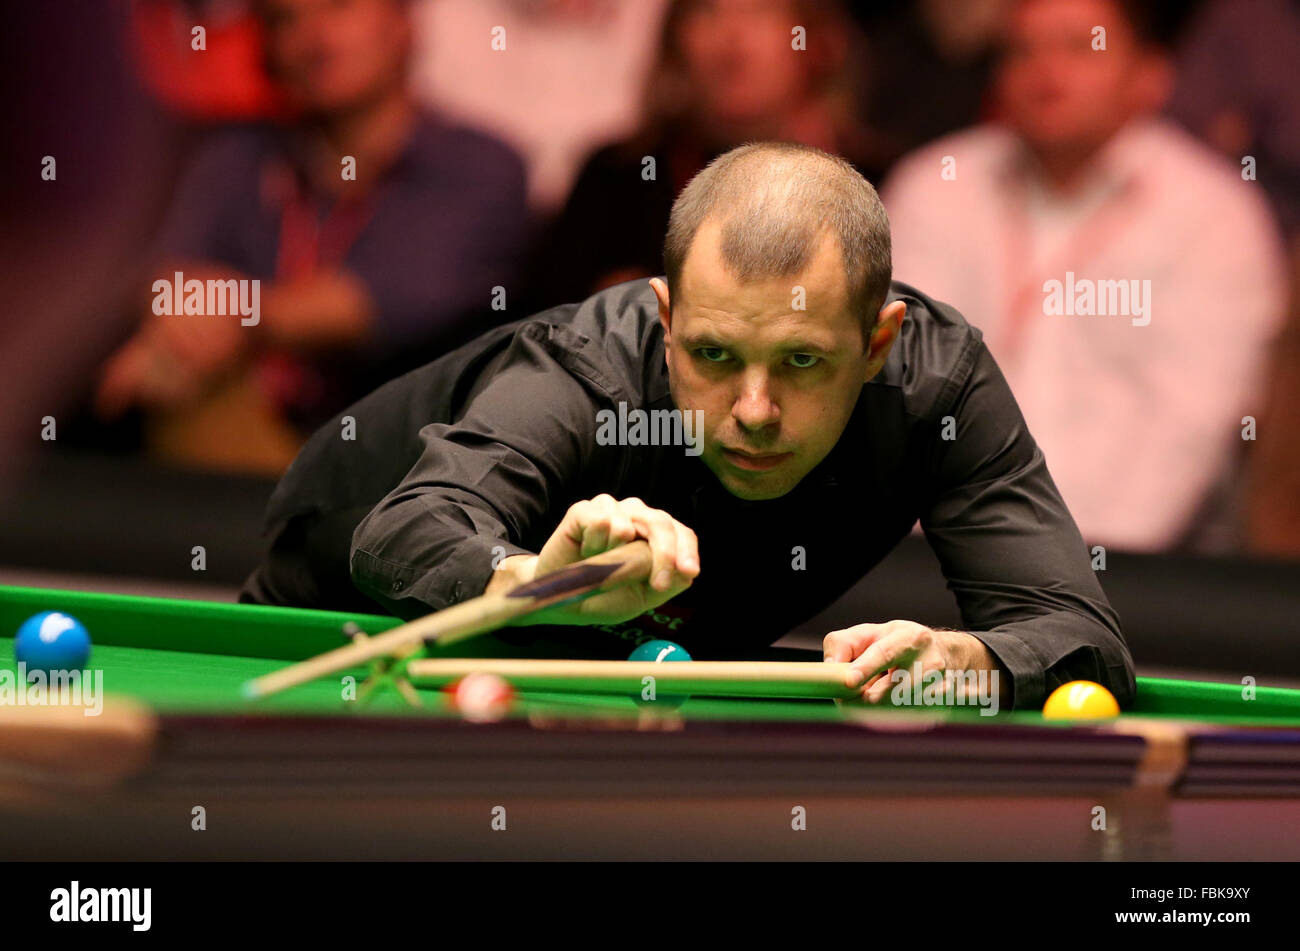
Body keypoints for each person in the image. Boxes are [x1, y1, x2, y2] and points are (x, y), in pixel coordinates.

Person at [241, 142, 1134, 709]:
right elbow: (403, 529)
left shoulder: (939, 388)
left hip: (611, 674)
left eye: (802, 361)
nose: (753, 410)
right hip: (341, 625)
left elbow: (1075, 631)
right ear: (667, 322)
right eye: (711, 355)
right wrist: (539, 577)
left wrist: (968, 656)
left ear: (876, 341)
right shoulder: (585, 368)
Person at [881, 0, 1289, 553]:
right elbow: (898, 392)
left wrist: (1062, 570)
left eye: (1081, 48)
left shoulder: (1213, 214)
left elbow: (1188, 428)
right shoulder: (934, 188)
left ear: (1150, 76)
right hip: (927, 557)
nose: (1046, 71)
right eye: (1024, 51)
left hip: (1142, 576)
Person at [94, 0, 530, 473]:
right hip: (240, 441)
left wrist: (229, 316)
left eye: (339, 8)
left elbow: (377, 305)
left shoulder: (481, 165)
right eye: (285, 20)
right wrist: (180, 322)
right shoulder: (232, 158)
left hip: (409, 463)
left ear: (404, 23)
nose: (314, 37)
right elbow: (166, 275)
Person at [522, 0, 892, 312]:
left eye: (761, 13)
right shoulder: (619, 176)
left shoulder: (882, 180)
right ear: (677, 44)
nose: (732, 40)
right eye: (707, 12)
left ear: (820, 43)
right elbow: (546, 328)